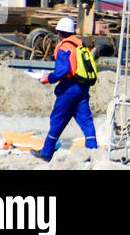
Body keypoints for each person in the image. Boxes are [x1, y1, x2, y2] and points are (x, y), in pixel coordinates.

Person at [32, 16, 98, 162]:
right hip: (82, 87)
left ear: (60, 32)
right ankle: (94, 153)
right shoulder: (80, 45)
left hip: (69, 89)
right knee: (86, 122)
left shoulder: (64, 47)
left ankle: (46, 152)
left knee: (57, 119)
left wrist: (48, 78)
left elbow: (63, 70)